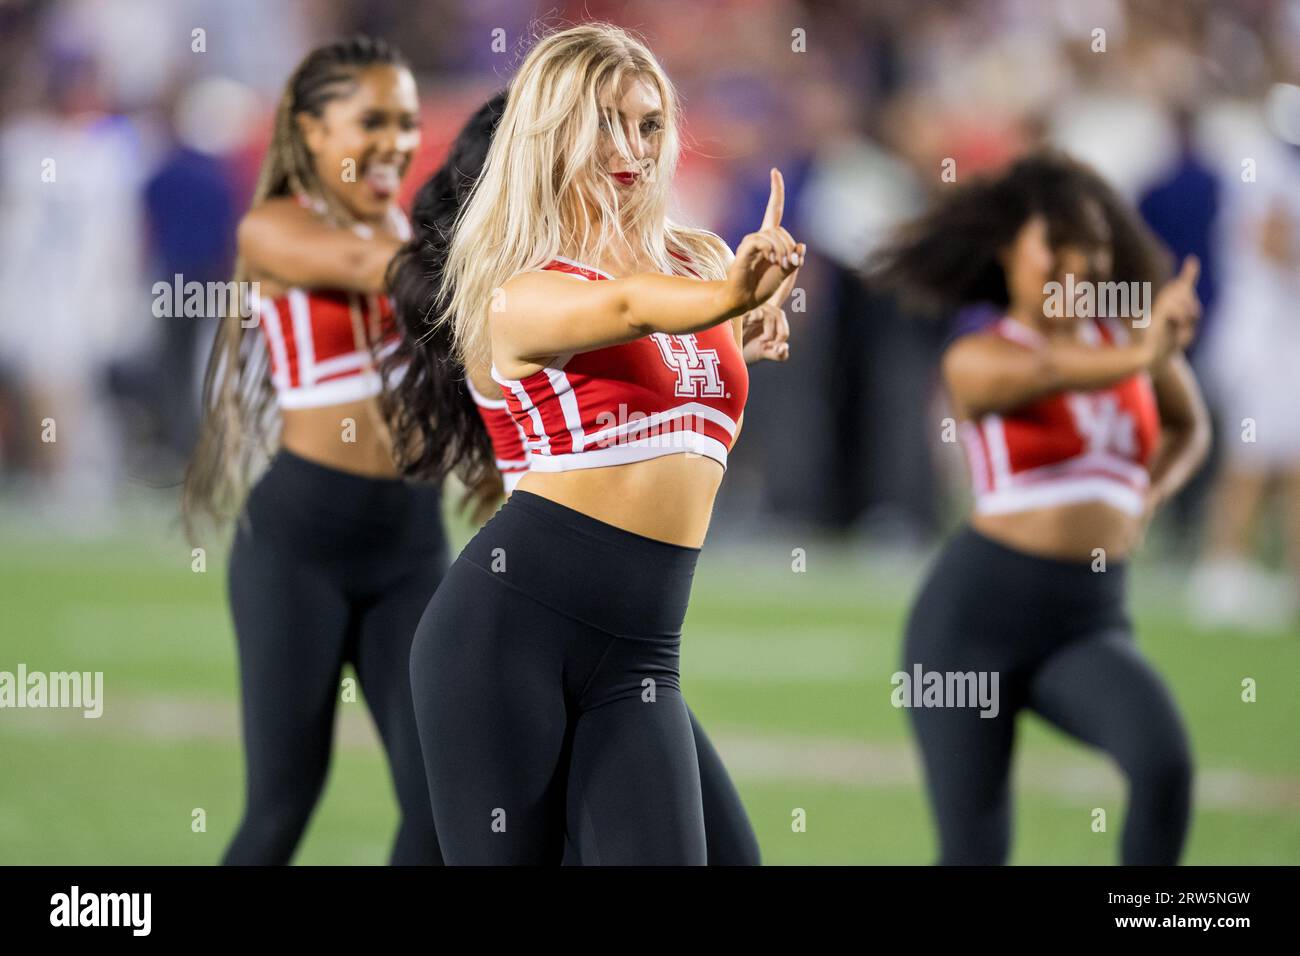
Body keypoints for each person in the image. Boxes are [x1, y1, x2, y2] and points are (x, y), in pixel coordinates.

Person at [407, 24, 803, 864]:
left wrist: (737, 329)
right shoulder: (523, 286)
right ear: (550, 134)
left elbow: (666, 416)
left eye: (649, 123)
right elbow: (625, 310)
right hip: (501, 639)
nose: (630, 148)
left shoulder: (692, 264)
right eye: (603, 124)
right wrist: (728, 297)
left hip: (642, 656)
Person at [872, 150, 1209, 865]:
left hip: (1087, 621)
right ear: (1008, 252)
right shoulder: (980, 353)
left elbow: (1190, 427)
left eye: (1092, 245)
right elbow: (1051, 370)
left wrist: (1146, 494)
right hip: (971, 625)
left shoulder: (1125, 341)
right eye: (1056, 245)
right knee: (975, 854)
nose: (1078, 265)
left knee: (1163, 765)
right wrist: (1145, 352)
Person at [184, 36, 443, 865]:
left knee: (441, 806)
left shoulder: (419, 227)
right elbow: (372, 266)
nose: (395, 142)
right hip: (300, 542)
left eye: (406, 122)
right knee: (281, 808)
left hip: (412, 541)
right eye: (371, 120)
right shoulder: (277, 226)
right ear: (310, 130)